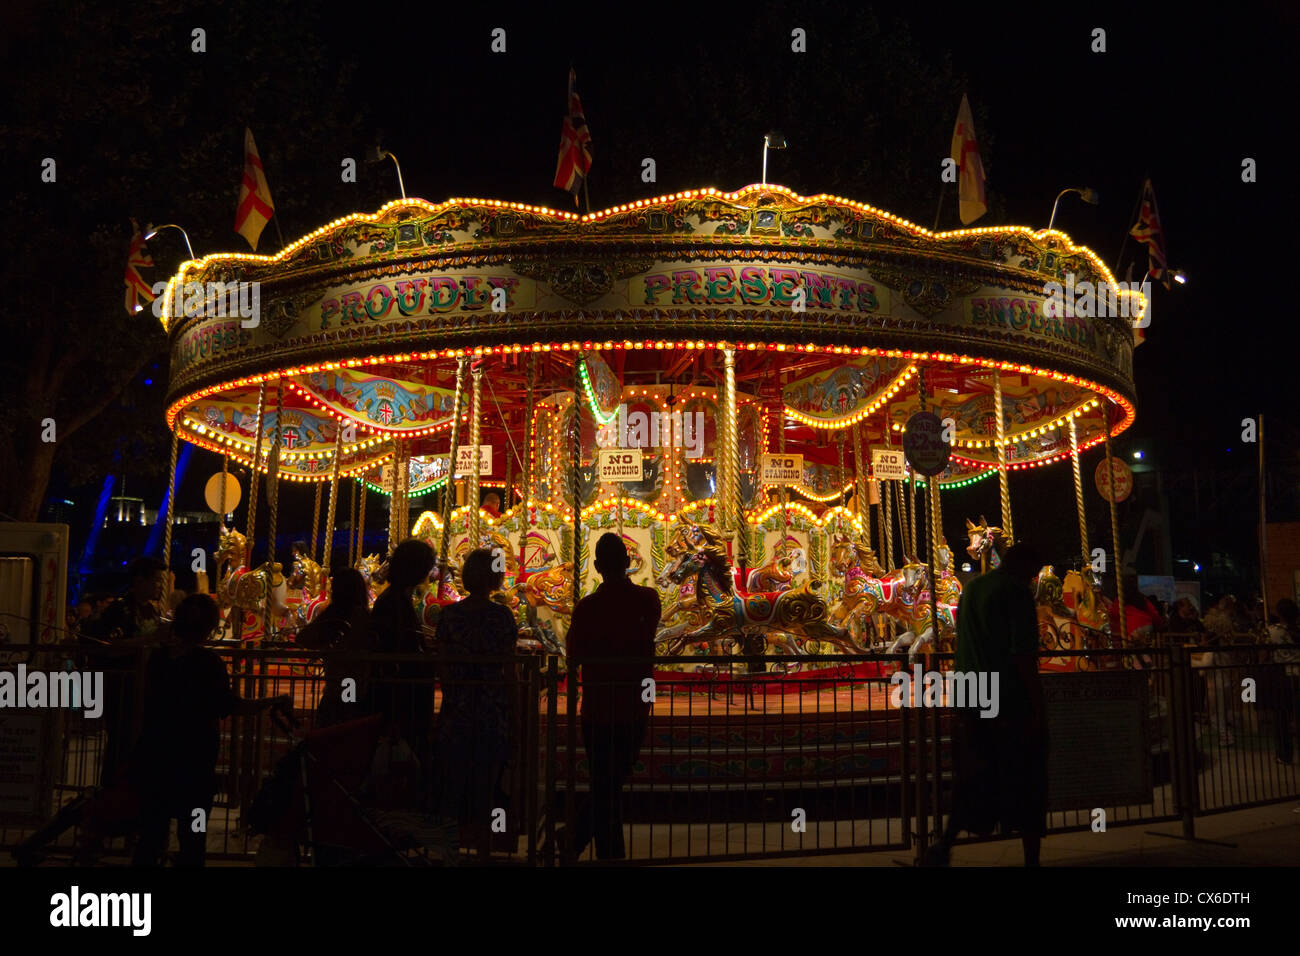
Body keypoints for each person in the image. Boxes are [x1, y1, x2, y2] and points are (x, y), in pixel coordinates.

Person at [129, 593, 291, 866]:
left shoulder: (158, 660)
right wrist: (270, 701)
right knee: (193, 833)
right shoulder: (207, 663)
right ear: (208, 628)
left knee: (151, 831)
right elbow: (227, 705)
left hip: (156, 755)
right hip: (194, 762)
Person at [923, 541, 1047, 867]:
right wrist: (1036, 704)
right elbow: (1022, 655)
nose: (1033, 579)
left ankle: (944, 843)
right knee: (1026, 775)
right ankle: (1031, 857)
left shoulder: (974, 587)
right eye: (1033, 573)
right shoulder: (1017, 593)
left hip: (968, 689)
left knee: (972, 772)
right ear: (1026, 569)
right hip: (1004, 694)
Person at [563, 532, 661, 860]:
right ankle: (602, 850)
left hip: (598, 707)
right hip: (634, 705)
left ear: (596, 566)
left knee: (605, 781)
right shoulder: (648, 599)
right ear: (630, 563)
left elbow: (573, 654)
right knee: (611, 783)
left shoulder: (587, 608)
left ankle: (577, 841)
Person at [432, 548, 519, 859]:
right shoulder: (502, 616)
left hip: (457, 708)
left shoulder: (450, 616)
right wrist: (516, 714)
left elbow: (442, 663)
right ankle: (484, 852)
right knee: (487, 786)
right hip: (490, 708)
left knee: (453, 785)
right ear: (495, 578)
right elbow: (509, 669)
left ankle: (449, 851)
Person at [80, 557, 170, 789]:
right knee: (121, 743)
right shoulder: (121, 609)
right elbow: (109, 647)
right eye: (157, 581)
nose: (160, 587)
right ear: (139, 581)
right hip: (123, 688)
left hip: (145, 687)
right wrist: (149, 640)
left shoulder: (150, 609)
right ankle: (111, 795)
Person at [369, 539, 437, 804]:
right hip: (401, 695)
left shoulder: (399, 598)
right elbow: (395, 649)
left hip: (406, 692)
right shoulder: (395, 601)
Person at [296, 566, 373, 728]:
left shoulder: (335, 614)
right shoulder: (362, 615)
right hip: (353, 679)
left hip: (342, 679)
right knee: (347, 713)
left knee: (339, 712)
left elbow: (303, 638)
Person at [1264, 599, 1300, 764]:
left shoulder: (1272, 631)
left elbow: (1263, 652)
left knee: (1281, 717)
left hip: (1282, 676)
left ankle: (1284, 754)